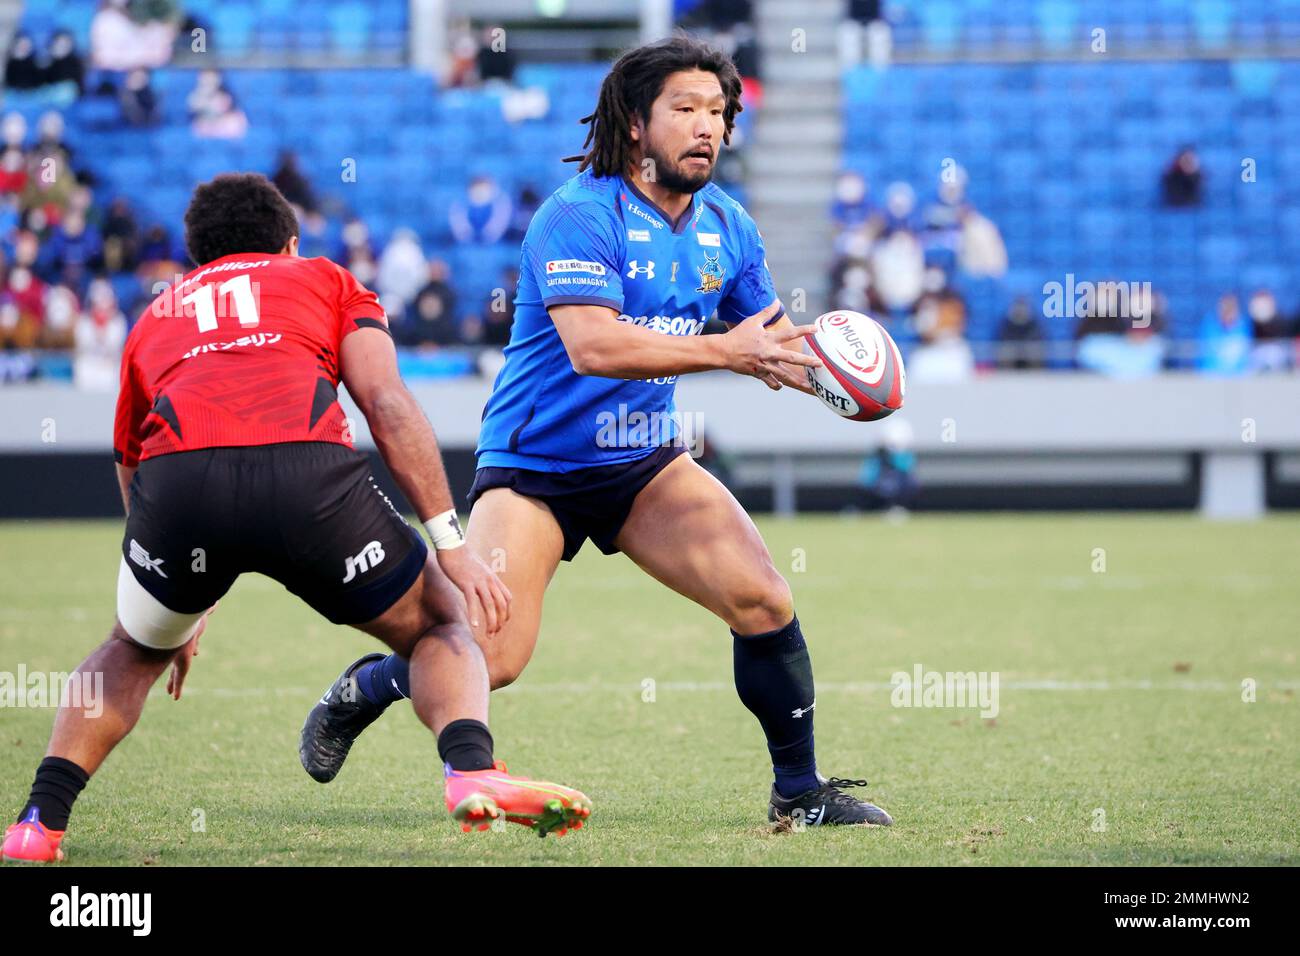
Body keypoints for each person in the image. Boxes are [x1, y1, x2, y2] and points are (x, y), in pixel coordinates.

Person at [301, 37, 894, 828]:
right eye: (684, 109)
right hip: (533, 468)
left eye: (717, 112)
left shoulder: (729, 225)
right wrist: (727, 350)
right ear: (636, 123)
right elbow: (595, 347)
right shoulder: (579, 214)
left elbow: (771, 337)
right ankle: (366, 687)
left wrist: (831, 369)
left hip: (641, 464)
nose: (706, 127)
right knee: (493, 657)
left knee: (762, 597)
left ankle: (800, 794)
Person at [2, 173, 590, 864]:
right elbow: (387, 403)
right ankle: (470, 768)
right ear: (289, 240)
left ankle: (39, 822)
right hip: (307, 479)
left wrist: (179, 601)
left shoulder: (156, 317)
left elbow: (130, 461)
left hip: (177, 489)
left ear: (198, 259)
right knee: (440, 624)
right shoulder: (324, 277)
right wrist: (451, 544)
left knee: (129, 651)